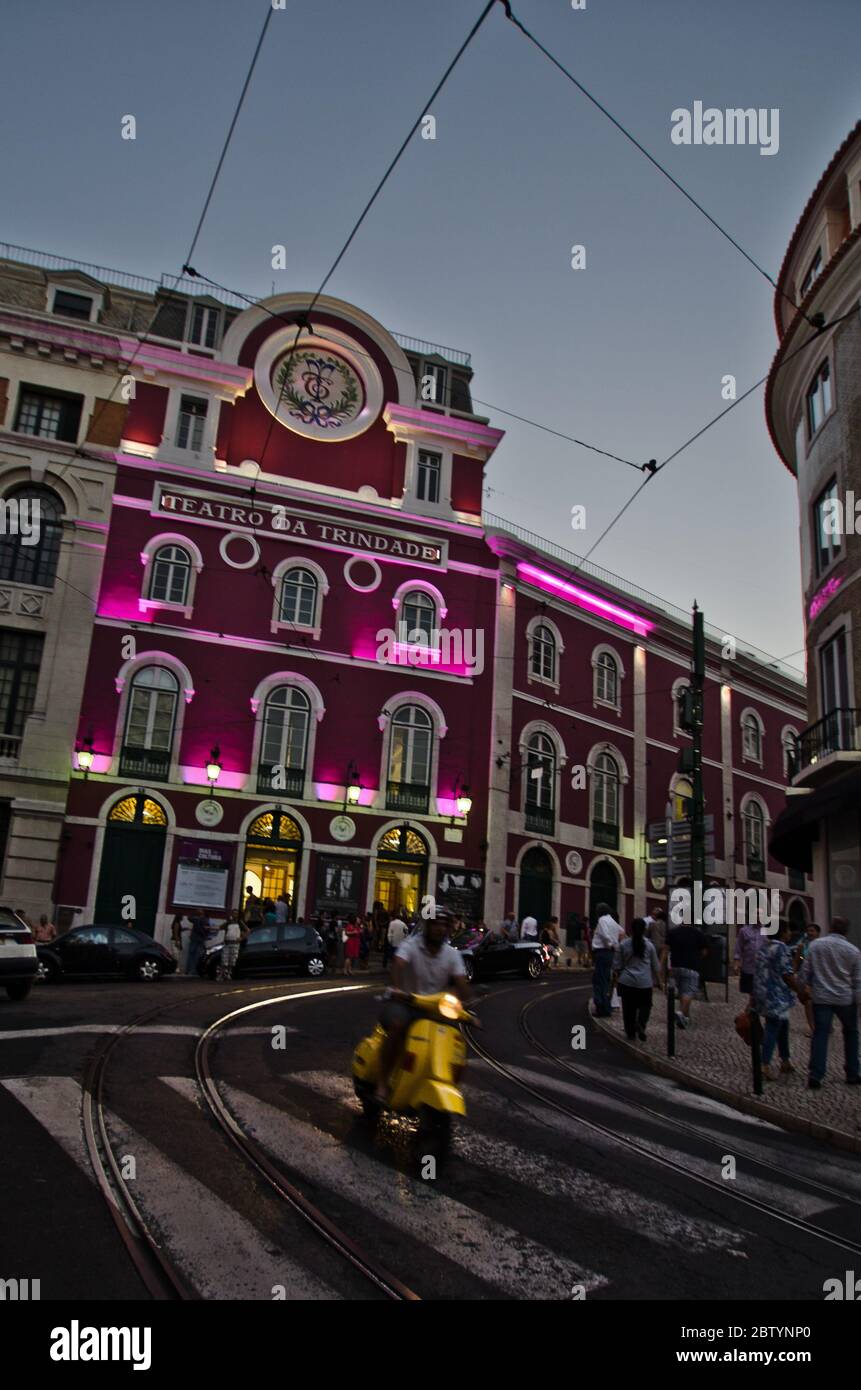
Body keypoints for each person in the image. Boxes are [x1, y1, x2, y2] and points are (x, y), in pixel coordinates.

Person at [374, 915, 470, 1103]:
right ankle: (383, 1082)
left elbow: (461, 982)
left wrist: (469, 999)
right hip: (406, 1002)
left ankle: (439, 1080)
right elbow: (398, 965)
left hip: (434, 1010)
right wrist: (397, 988)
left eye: (444, 925)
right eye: (436, 924)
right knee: (397, 1025)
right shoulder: (411, 945)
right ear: (427, 926)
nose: (440, 929)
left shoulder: (452, 954)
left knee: (455, 1039)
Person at [798, 917, 861, 1089]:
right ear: (846, 931)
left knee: (820, 1034)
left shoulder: (816, 946)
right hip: (845, 999)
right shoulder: (853, 951)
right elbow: (857, 981)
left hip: (822, 997)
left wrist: (801, 988)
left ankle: (816, 1075)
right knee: (851, 1034)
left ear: (830, 927)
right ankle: (853, 1072)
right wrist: (858, 1002)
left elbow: (805, 971)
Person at [751, 919, 799, 1079]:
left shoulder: (762, 948)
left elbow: (757, 973)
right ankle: (764, 1065)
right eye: (788, 930)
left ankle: (785, 1060)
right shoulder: (781, 948)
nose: (790, 933)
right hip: (777, 996)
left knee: (783, 1025)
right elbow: (786, 973)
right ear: (782, 932)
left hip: (762, 993)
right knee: (772, 1028)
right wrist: (799, 989)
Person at [614, 917, 662, 1041]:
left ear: (631, 929)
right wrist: (660, 982)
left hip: (626, 981)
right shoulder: (650, 946)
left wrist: (616, 980)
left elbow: (617, 966)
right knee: (646, 1006)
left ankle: (630, 1033)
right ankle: (641, 1023)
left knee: (628, 1009)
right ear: (644, 930)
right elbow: (656, 967)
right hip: (644, 983)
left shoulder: (623, 944)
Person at [664, 917, 709, 1028]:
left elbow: (665, 950)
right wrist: (697, 957)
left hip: (675, 967)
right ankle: (681, 1013)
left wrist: (662, 968)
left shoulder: (673, 932)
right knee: (688, 993)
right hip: (691, 967)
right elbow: (704, 952)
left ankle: (685, 1018)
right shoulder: (698, 934)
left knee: (681, 992)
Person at [591, 903, 623, 1017]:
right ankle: (606, 1006)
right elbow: (622, 931)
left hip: (602, 952)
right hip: (609, 954)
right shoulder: (612, 921)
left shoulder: (602, 920)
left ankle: (601, 1008)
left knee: (599, 980)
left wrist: (610, 944)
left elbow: (605, 935)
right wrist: (616, 945)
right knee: (606, 980)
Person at [793, 923, 821, 1036]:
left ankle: (826, 1025)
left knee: (820, 1003)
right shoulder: (802, 946)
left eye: (812, 931)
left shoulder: (822, 945)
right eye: (808, 931)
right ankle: (812, 1027)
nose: (810, 933)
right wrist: (793, 973)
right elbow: (797, 960)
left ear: (818, 933)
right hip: (806, 978)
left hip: (820, 978)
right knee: (808, 1002)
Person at [734, 918, 767, 995]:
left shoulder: (767, 931)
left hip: (762, 968)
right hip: (748, 968)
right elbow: (738, 948)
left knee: (759, 992)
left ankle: (753, 1004)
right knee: (751, 992)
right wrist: (736, 963)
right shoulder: (744, 931)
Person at [187, 907, 211, 978]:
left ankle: (191, 970)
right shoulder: (205, 919)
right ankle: (195, 971)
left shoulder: (196, 919)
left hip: (196, 938)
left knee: (192, 954)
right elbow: (207, 929)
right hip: (200, 939)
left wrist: (195, 913)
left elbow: (189, 917)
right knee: (198, 955)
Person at [219, 912, 242, 981]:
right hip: (227, 943)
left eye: (236, 914)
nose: (234, 915)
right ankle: (222, 974)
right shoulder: (228, 923)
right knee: (224, 959)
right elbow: (220, 927)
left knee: (232, 960)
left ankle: (228, 973)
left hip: (235, 944)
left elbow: (248, 930)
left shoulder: (240, 923)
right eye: (233, 914)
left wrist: (241, 938)